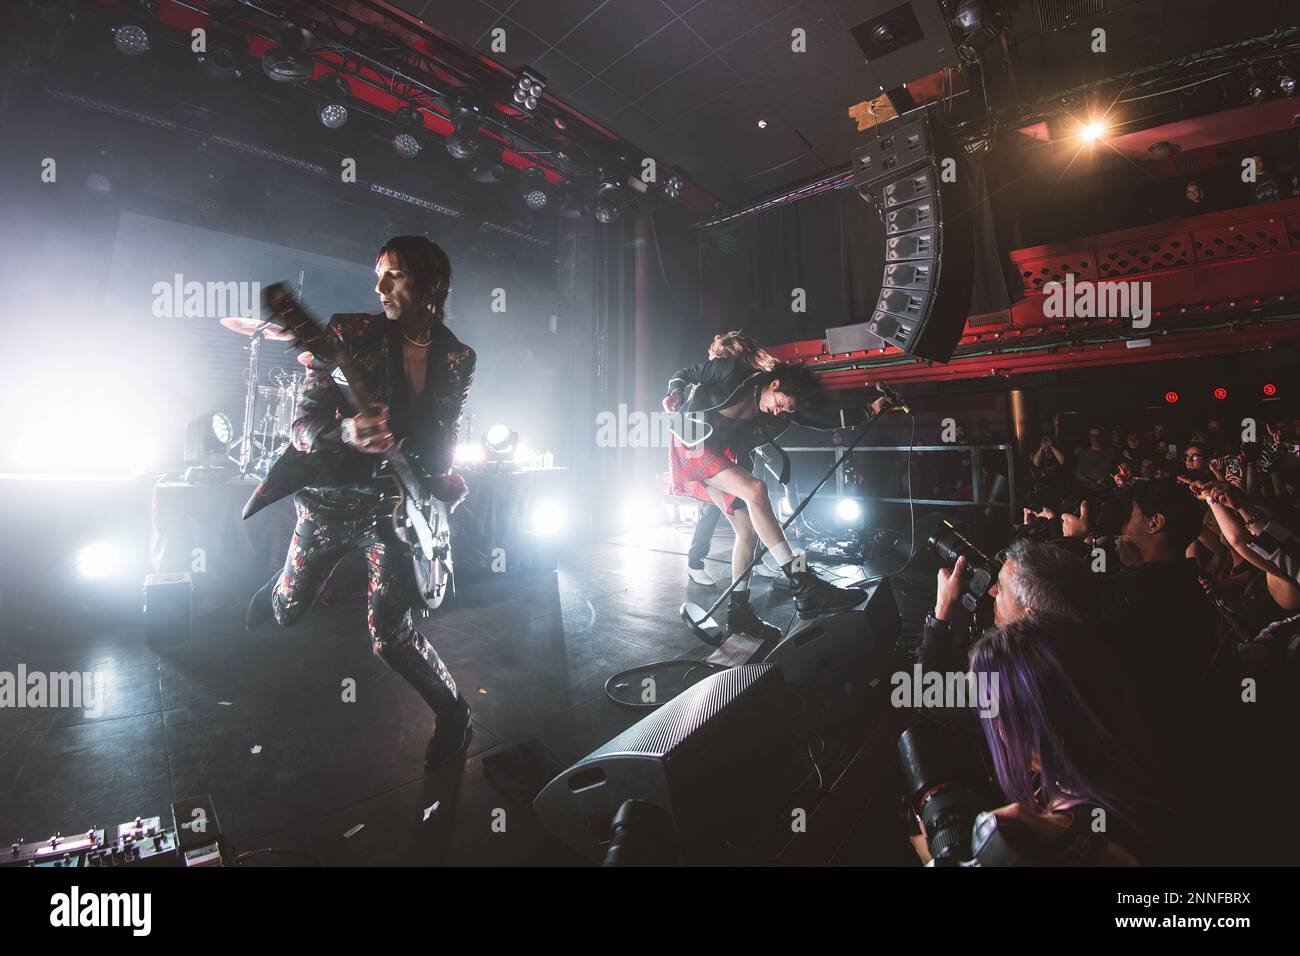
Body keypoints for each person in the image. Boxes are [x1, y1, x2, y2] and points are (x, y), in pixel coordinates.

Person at [242, 236, 475, 770]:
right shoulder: (350, 333)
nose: (380, 286)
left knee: (391, 637)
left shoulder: (459, 356)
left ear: (430, 284)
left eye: (394, 275)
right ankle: (280, 587)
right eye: (378, 274)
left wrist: (442, 482)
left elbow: (447, 432)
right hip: (330, 501)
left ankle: (455, 714)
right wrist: (348, 431)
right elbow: (302, 426)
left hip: (397, 511)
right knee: (287, 612)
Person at [663, 331, 899, 639]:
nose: (781, 412)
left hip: (720, 456)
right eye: (780, 403)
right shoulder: (732, 371)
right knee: (756, 489)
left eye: (786, 410)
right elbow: (685, 373)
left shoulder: (776, 413)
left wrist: (872, 409)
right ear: (773, 385)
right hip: (691, 444)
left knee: (747, 532)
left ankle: (739, 613)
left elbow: (824, 418)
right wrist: (675, 392)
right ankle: (803, 584)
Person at [1074, 425, 1121, 491]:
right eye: (1092, 436)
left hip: (1108, 488)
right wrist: (1090, 481)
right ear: (1089, 437)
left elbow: (1117, 469)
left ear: (1102, 437)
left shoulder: (1111, 452)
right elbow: (1078, 474)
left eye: (1098, 436)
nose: (1095, 438)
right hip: (1087, 489)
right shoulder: (1083, 453)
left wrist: (1104, 478)